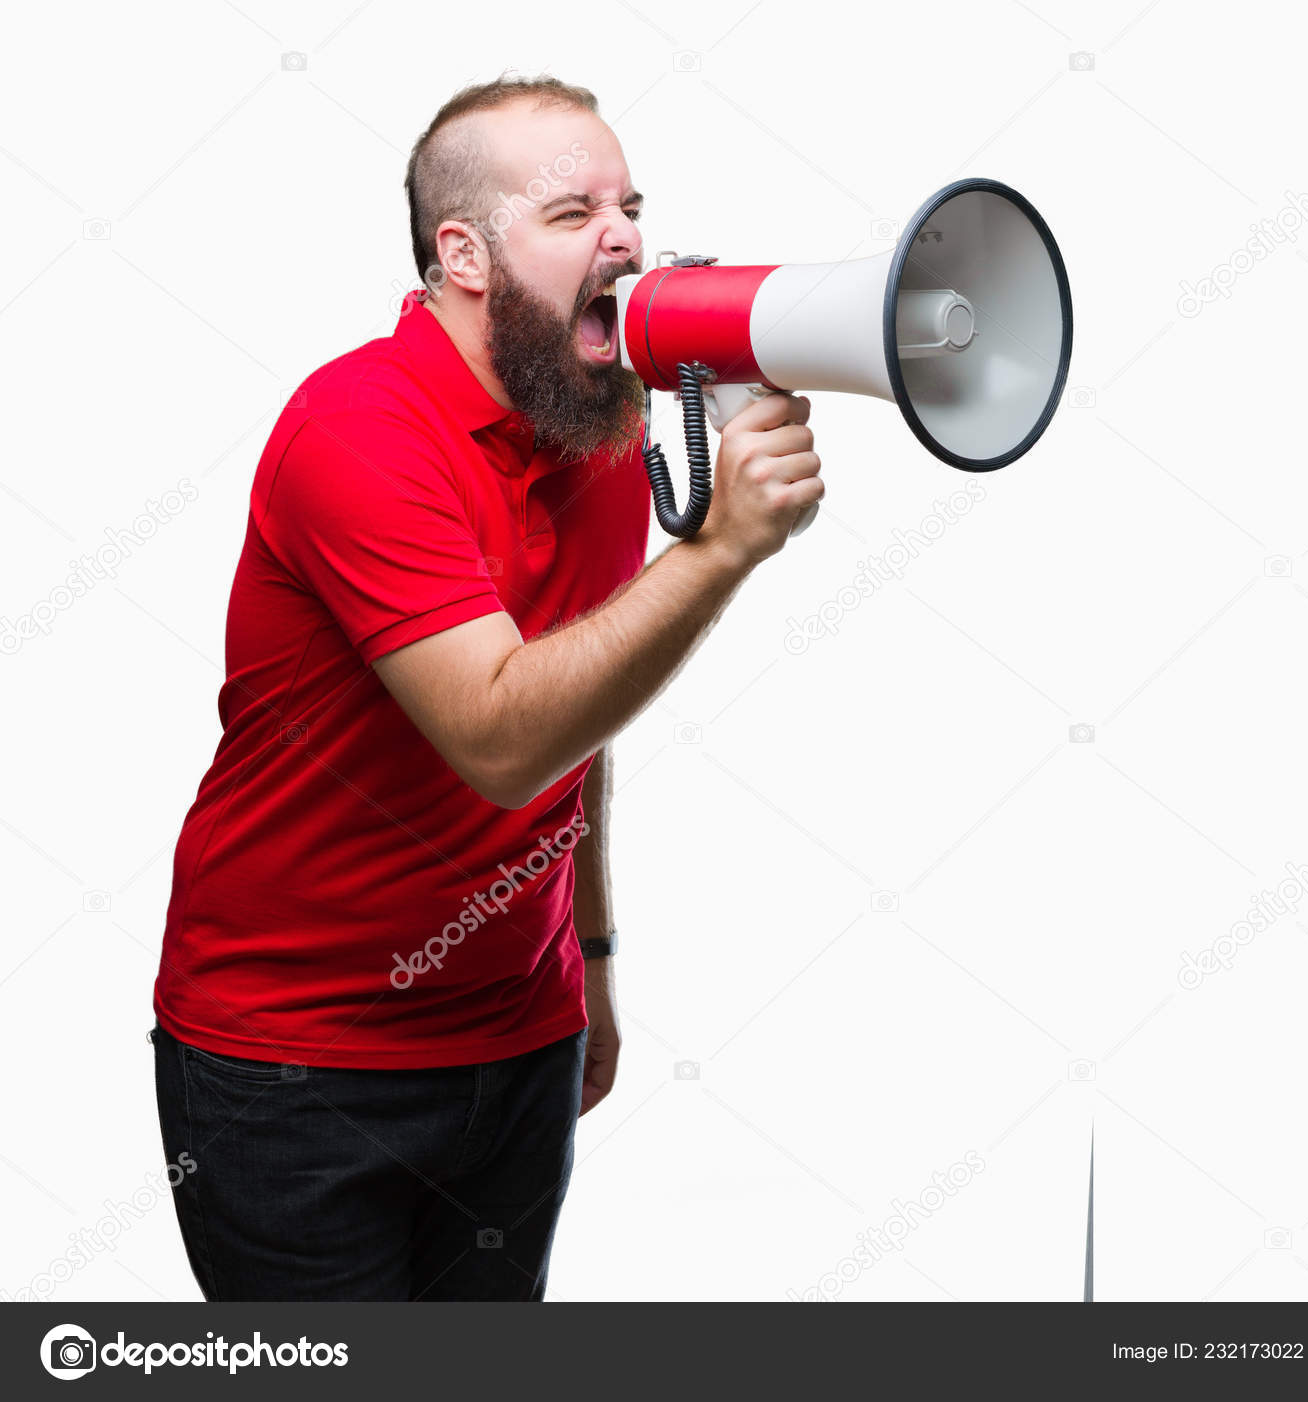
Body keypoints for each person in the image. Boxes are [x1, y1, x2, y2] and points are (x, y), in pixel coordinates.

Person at [149, 74, 823, 1301]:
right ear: (462, 254)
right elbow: (505, 736)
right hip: (293, 1067)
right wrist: (718, 549)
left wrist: (595, 964)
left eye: (629, 205)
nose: (623, 238)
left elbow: (580, 704)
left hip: (519, 1044)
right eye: (571, 215)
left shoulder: (601, 422)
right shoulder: (357, 430)